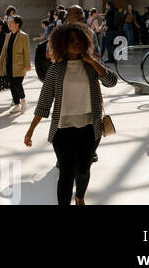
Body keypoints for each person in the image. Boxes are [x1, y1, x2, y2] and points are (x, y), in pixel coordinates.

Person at [23, 22, 117, 205]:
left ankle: (80, 196)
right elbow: (44, 102)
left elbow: (111, 82)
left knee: (83, 169)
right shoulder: (56, 70)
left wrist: (93, 61)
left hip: (90, 127)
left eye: (79, 40)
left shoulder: (91, 66)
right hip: (63, 129)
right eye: (71, 41)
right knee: (66, 173)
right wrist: (31, 130)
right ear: (62, 44)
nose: (76, 43)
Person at [0, 15, 31, 113]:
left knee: (17, 84)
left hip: (19, 64)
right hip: (9, 64)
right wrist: (0, 62)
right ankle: (16, 104)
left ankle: (23, 101)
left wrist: (27, 64)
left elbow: (27, 51)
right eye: (8, 22)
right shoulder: (8, 35)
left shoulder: (23, 36)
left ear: (17, 24)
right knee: (12, 85)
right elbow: (4, 51)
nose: (9, 24)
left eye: (11, 22)